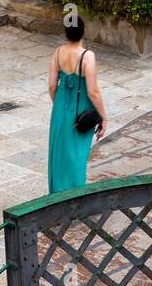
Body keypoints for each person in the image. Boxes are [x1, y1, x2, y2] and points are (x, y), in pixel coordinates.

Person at [46, 16, 107, 193]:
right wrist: (103, 117)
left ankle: (57, 194)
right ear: (83, 31)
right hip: (80, 111)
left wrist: (59, 104)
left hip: (60, 108)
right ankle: (75, 196)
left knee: (59, 155)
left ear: (66, 32)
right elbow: (93, 92)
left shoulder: (58, 52)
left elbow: (52, 86)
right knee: (77, 156)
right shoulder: (87, 56)